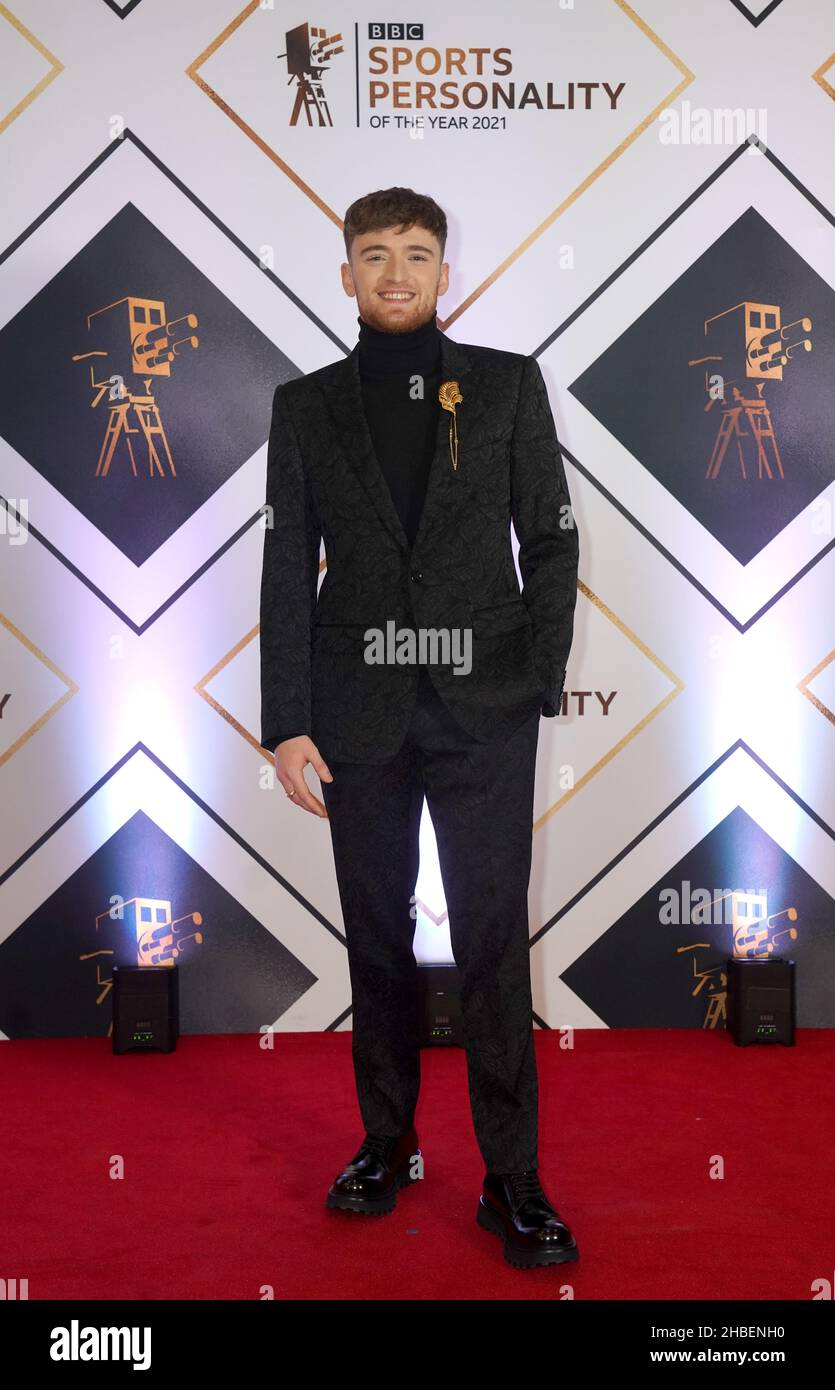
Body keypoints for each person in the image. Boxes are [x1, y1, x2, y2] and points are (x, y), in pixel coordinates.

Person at [259, 187, 580, 1268]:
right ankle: (385, 1144)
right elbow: (284, 569)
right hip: (356, 713)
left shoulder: (504, 385)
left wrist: (538, 675)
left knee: (493, 940)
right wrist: (286, 721)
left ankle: (511, 1177)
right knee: (376, 937)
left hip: (484, 708)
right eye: (374, 254)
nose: (396, 272)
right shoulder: (302, 407)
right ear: (344, 274)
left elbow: (551, 536)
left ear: (447, 272)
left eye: (417, 253)